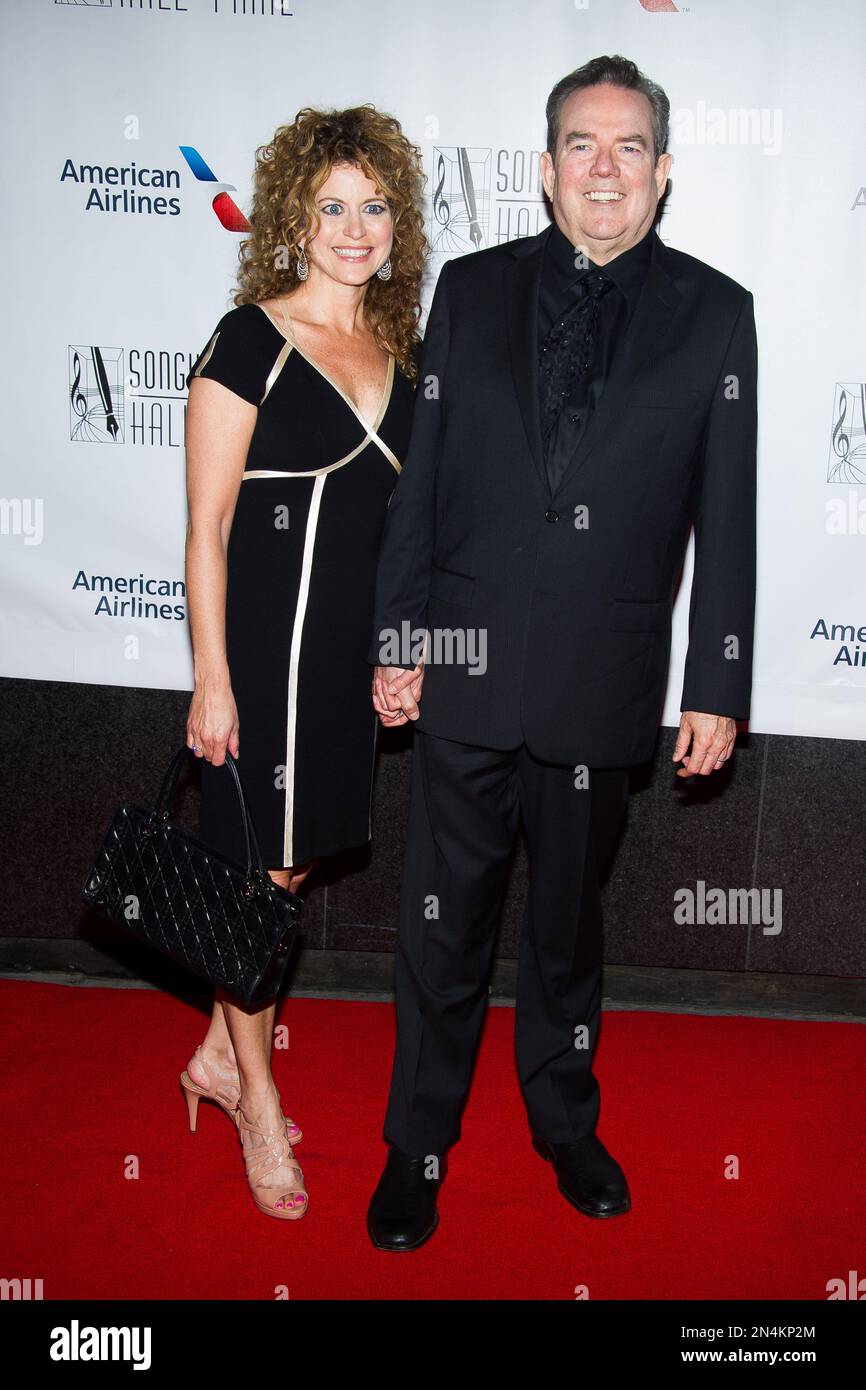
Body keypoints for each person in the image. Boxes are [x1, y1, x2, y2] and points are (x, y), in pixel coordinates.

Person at [366, 54, 758, 1250]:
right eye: (580, 146)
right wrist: (400, 637)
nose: (602, 167)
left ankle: (562, 1123)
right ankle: (416, 1146)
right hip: (466, 670)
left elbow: (725, 515)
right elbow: (420, 489)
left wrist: (718, 682)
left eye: (626, 146)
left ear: (662, 170)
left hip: (604, 683)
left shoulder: (715, 311)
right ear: (543, 171)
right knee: (442, 926)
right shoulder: (471, 293)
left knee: (564, 938)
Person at [182, 105, 425, 1221]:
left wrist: (397, 651)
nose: (352, 227)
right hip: (260, 655)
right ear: (292, 216)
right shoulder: (249, 338)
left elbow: (407, 539)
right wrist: (212, 677)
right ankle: (256, 1100)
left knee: (284, 871)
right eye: (330, 206)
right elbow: (205, 526)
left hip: (337, 666)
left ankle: (217, 1052)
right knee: (259, 876)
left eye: (372, 206)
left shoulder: (402, 359)